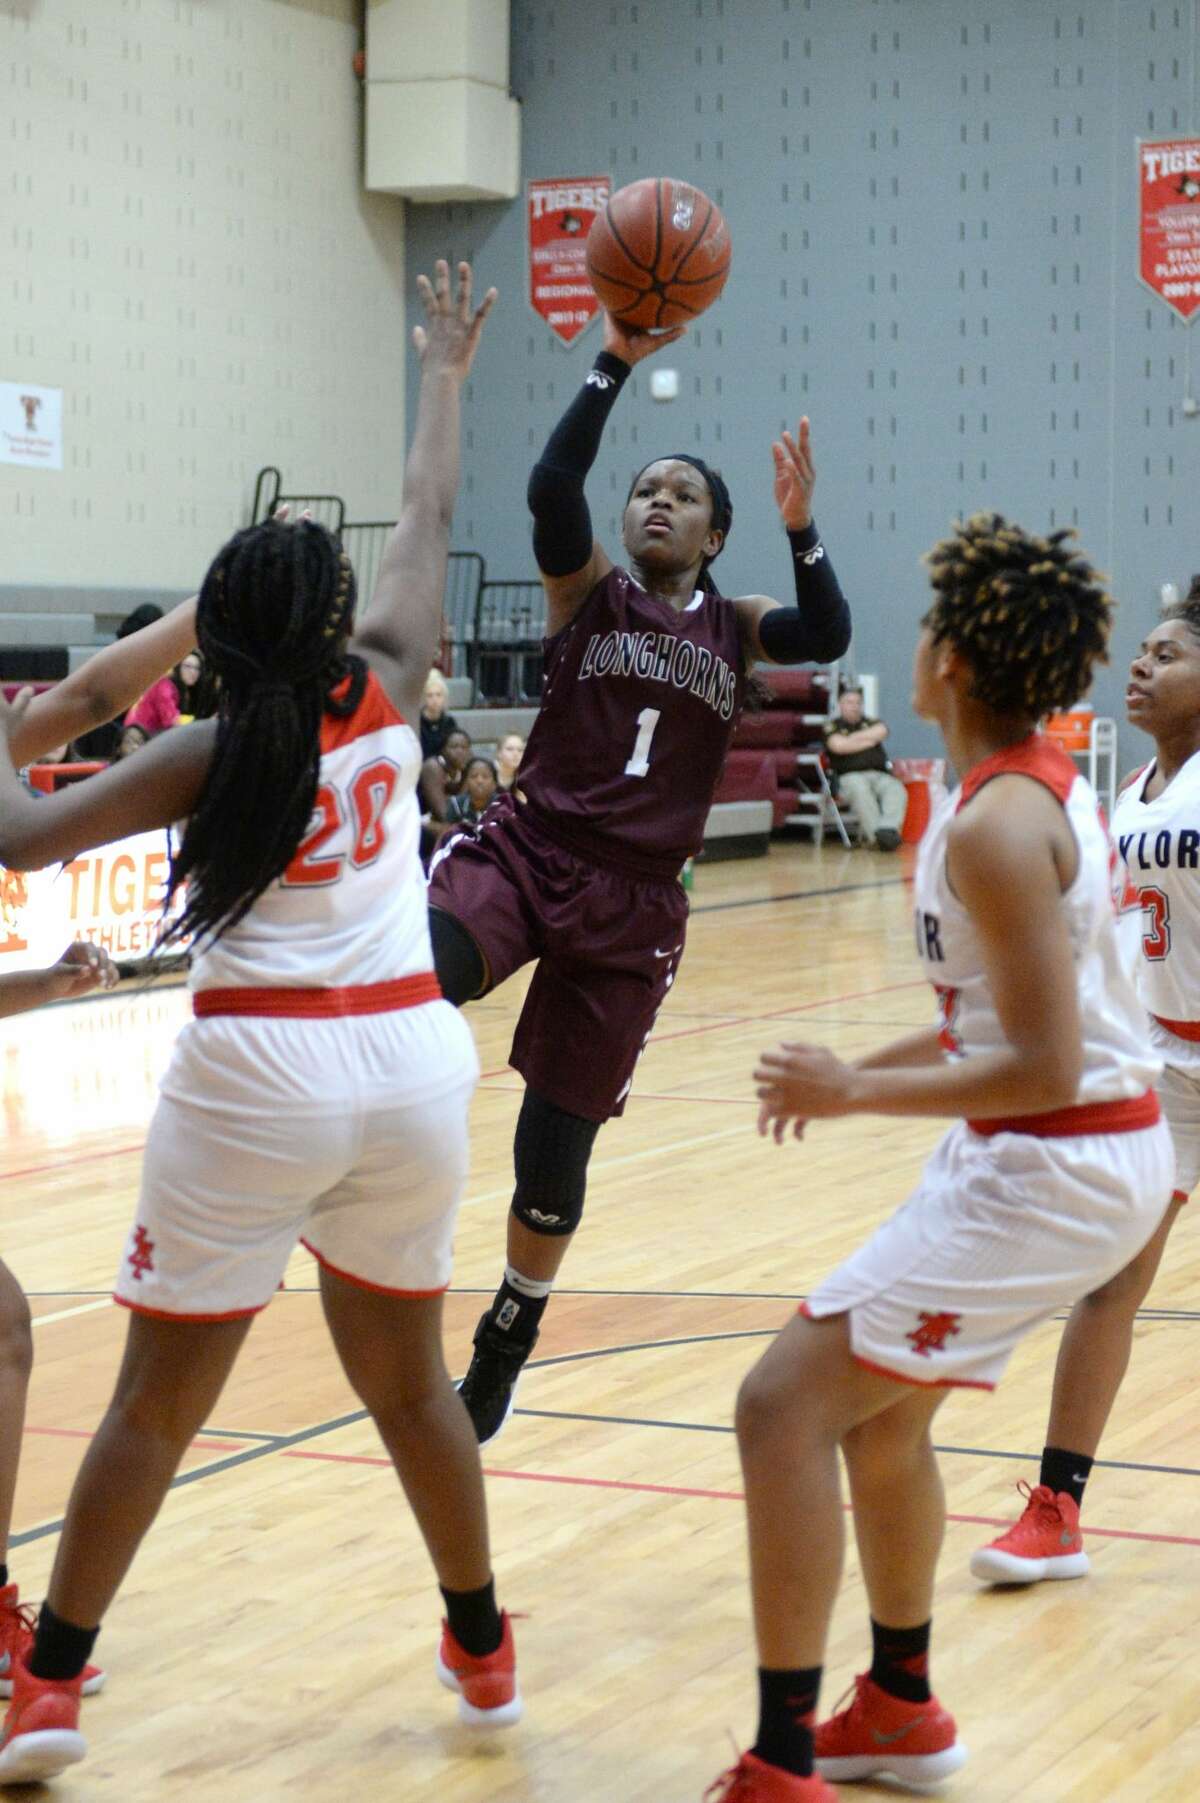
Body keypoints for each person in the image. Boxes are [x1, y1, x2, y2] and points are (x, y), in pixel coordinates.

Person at [0, 259, 516, 1786]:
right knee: (411, 1382)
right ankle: (482, 1643)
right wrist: (445, 369)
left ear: (219, 627)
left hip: (259, 1071)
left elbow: (23, 840)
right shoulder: (396, 675)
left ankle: (53, 1683)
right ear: (339, 615)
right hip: (413, 1063)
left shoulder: (210, 750)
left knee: (155, 1404)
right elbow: (425, 513)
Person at [706, 516, 1172, 1802]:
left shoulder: (997, 828)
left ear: (955, 660)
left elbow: (1044, 1062)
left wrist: (857, 1092)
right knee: (878, 1416)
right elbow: (1000, 1021)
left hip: (1060, 1157)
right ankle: (900, 1708)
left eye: (927, 631)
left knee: (778, 1407)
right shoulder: (1016, 790)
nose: (914, 648)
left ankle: (781, 1757)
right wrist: (878, 1067)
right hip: (1058, 1152)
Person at [429, 310, 852, 1444]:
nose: (655, 501)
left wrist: (802, 526)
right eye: (646, 490)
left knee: (550, 1159)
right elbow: (551, 485)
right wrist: (614, 360)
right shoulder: (589, 593)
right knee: (418, 979)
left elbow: (827, 627)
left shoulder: (738, 627)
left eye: (684, 495)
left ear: (716, 536)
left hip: (636, 902)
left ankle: (507, 1337)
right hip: (528, 851)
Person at [970, 580, 1200, 1586]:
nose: (1142, 665)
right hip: (1170, 1068)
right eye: (1141, 650)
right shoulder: (1127, 795)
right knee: (1112, 1280)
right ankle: (1057, 1508)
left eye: (1169, 653)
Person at [822, 685, 907, 851]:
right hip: (848, 777)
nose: (854, 706)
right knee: (860, 789)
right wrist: (868, 740)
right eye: (849, 702)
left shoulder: (871, 721)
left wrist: (850, 740)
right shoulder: (832, 726)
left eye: (858, 702)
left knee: (896, 788)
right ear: (840, 705)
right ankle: (875, 838)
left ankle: (888, 831)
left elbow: (882, 731)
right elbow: (838, 746)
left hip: (878, 774)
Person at [419, 668, 460, 761]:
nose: (435, 700)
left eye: (438, 695)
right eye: (430, 695)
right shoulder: (417, 721)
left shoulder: (449, 722)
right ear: (424, 698)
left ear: (444, 697)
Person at [446, 756, 498, 827]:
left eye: (485, 776)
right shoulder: (456, 804)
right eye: (473, 776)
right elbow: (448, 833)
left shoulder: (502, 804)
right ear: (466, 782)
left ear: (494, 783)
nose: (479, 781)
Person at [172, 651, 217, 723]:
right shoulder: (167, 690)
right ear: (178, 668)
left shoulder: (203, 693)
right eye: (187, 666)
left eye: (197, 668)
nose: (193, 672)